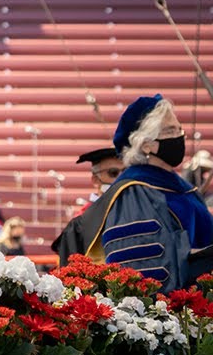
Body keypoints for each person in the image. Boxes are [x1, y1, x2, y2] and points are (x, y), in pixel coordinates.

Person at [51, 94, 213, 290]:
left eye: (180, 129)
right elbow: (146, 269)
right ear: (146, 145)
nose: (179, 136)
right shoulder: (134, 193)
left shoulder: (183, 188)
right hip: (175, 309)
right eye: (170, 130)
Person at [76, 146, 124, 211]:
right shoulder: (85, 217)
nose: (121, 177)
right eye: (113, 172)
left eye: (125, 171)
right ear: (96, 180)